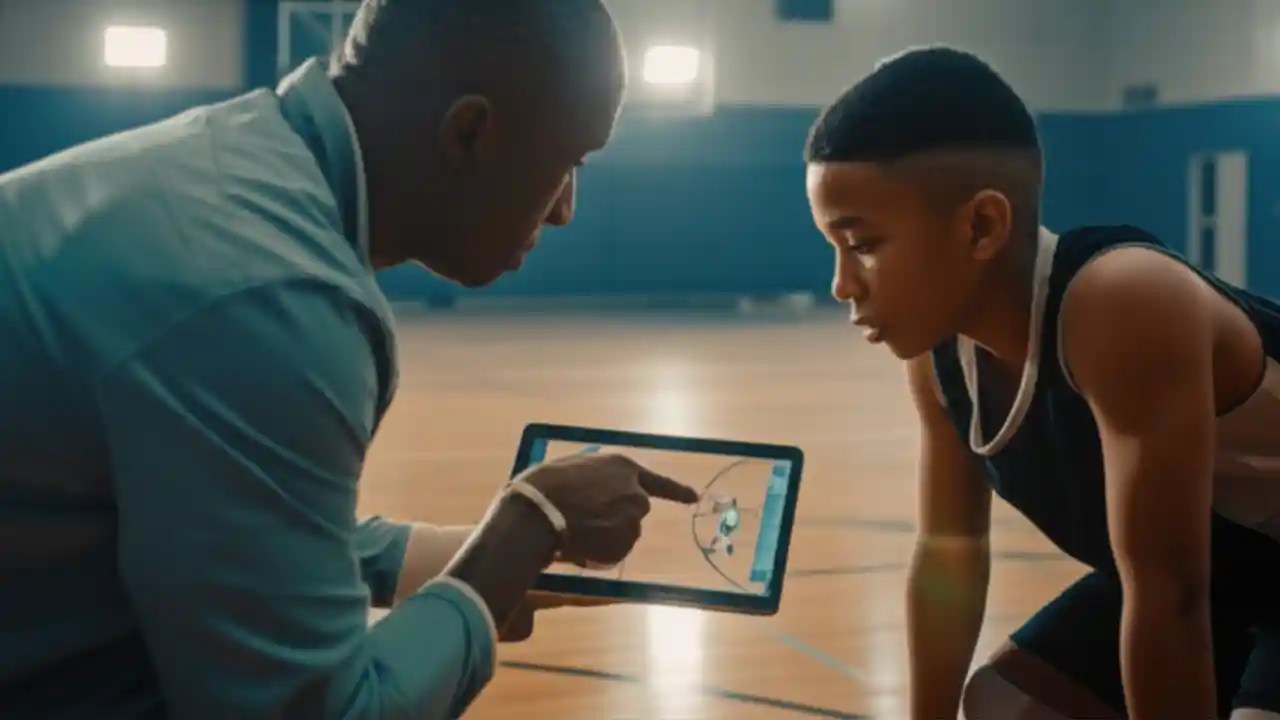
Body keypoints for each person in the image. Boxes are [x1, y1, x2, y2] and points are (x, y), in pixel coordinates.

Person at [0, 1, 700, 718]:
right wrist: (526, 526)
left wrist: (489, 555)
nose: (565, 211)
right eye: (567, 163)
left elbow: (230, 522)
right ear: (469, 134)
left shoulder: (238, 164)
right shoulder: (272, 293)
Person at [804, 46, 1280, 720]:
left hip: (1216, 582)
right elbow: (949, 553)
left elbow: (1169, 595)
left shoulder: (1124, 299)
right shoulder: (941, 362)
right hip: (1242, 578)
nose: (841, 285)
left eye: (864, 244)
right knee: (1007, 705)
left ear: (981, 225)